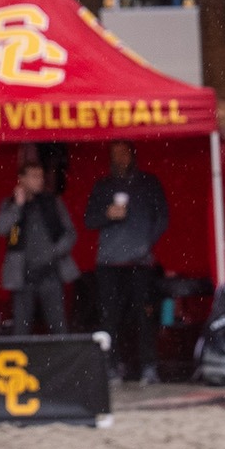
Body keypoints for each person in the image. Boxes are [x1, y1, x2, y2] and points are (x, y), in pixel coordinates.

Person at [84, 140, 169, 385]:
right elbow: (89, 220)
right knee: (110, 318)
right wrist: (107, 214)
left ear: (133, 155)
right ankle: (112, 366)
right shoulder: (103, 186)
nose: (120, 158)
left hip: (140, 262)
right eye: (115, 154)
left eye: (123, 153)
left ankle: (148, 367)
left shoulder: (148, 183)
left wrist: (146, 243)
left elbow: (162, 217)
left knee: (144, 316)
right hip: (109, 263)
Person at [0, 160, 76, 334]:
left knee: (59, 327)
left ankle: (61, 353)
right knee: (21, 328)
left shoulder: (52, 202)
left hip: (50, 273)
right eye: (34, 176)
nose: (39, 180)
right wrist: (18, 206)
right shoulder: (11, 204)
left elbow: (70, 234)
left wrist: (54, 252)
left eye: (40, 176)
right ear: (21, 179)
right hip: (23, 276)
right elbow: (0, 228)